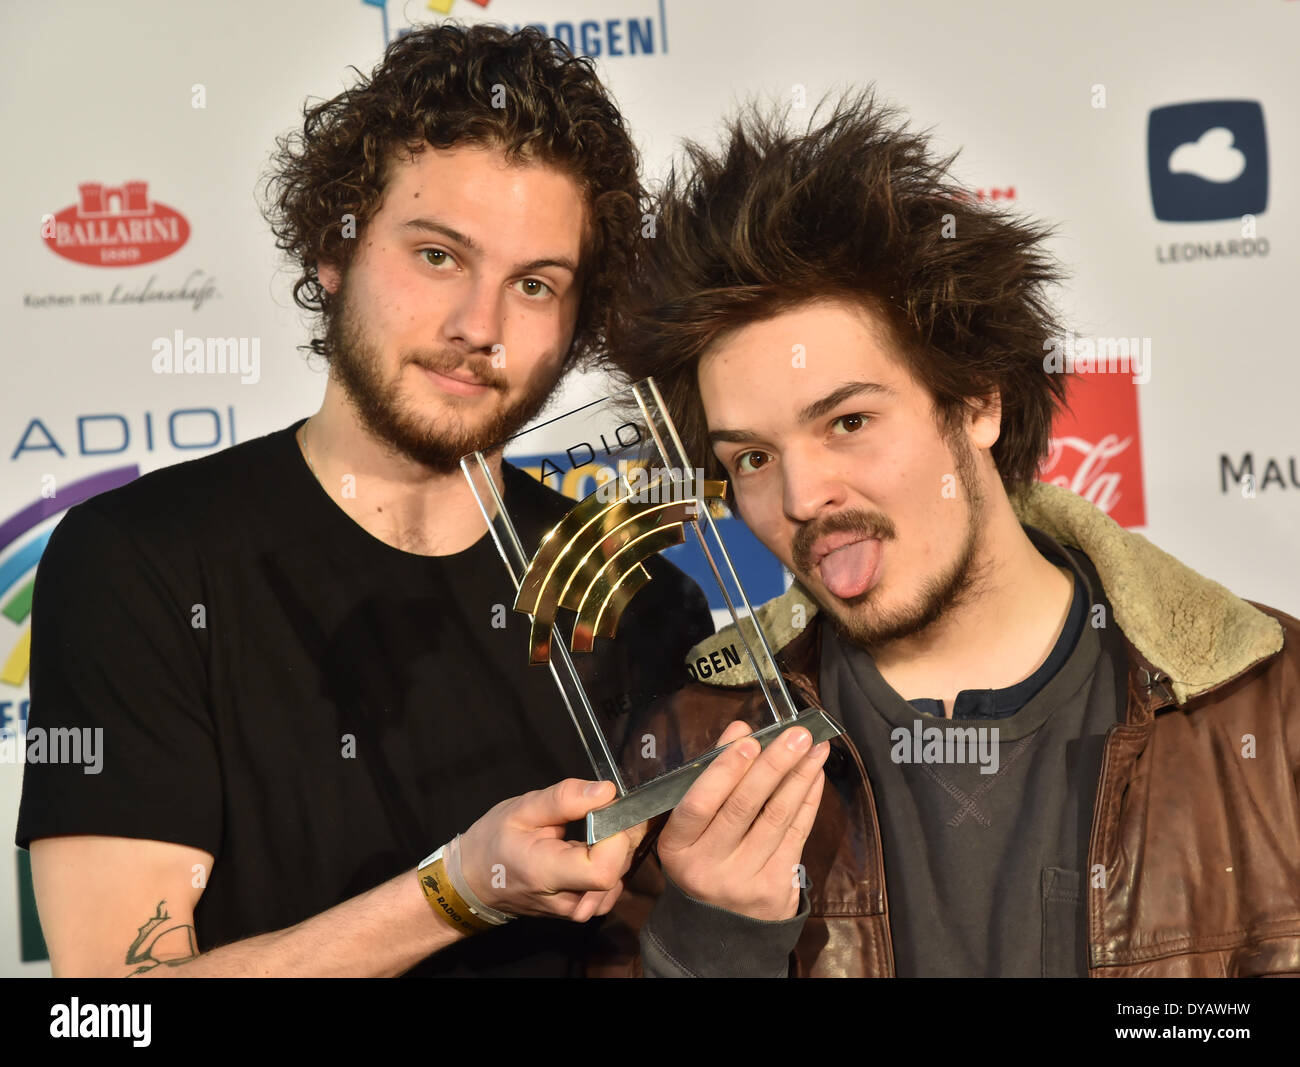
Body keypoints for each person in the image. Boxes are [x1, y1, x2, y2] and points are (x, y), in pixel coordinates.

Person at [15, 23, 826, 979]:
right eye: (438, 256)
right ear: (334, 250)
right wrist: (456, 890)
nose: (478, 326)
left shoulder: (632, 592)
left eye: (533, 283)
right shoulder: (137, 564)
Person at [601, 91, 1300, 977]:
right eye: (751, 458)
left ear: (977, 401)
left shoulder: (1272, 713)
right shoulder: (693, 747)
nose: (804, 493)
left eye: (848, 422)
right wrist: (710, 946)